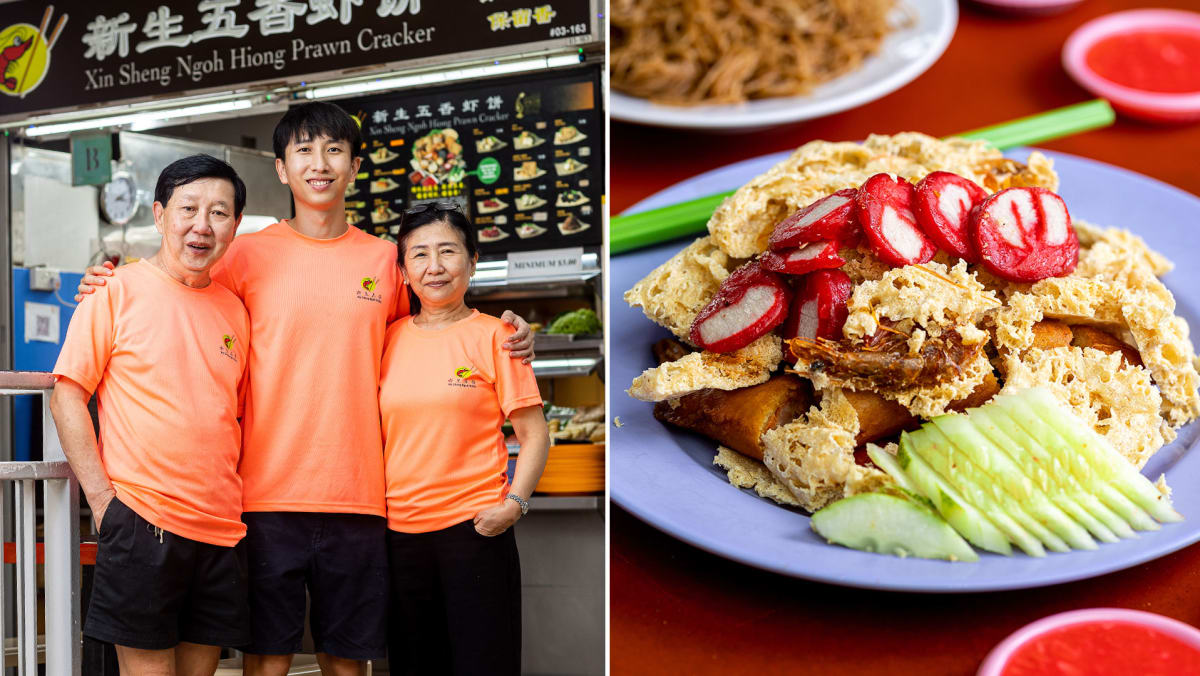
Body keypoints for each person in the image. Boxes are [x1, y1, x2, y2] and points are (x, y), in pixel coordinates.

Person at [76, 102, 534, 673]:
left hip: (364, 498)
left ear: (354, 166)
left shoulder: (386, 262)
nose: (320, 164)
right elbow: (176, 279)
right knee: (266, 661)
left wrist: (509, 328)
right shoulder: (241, 254)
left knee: (349, 661)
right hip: (262, 499)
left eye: (334, 150)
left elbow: (438, 321)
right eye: (304, 151)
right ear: (281, 169)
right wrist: (108, 277)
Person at [51, 155, 251, 675]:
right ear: (160, 215)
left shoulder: (235, 311)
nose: (201, 225)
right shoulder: (114, 292)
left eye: (219, 213)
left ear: (235, 225)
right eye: (188, 208)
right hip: (143, 523)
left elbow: (236, 416)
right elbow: (67, 395)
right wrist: (103, 502)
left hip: (220, 531)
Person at [380, 205, 550, 675]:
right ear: (403, 270)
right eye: (419, 255)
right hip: (399, 537)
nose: (434, 266)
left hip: (474, 530)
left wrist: (514, 504)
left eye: (447, 251)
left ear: (472, 261)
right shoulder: (385, 339)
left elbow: (535, 435)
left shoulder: (498, 337)